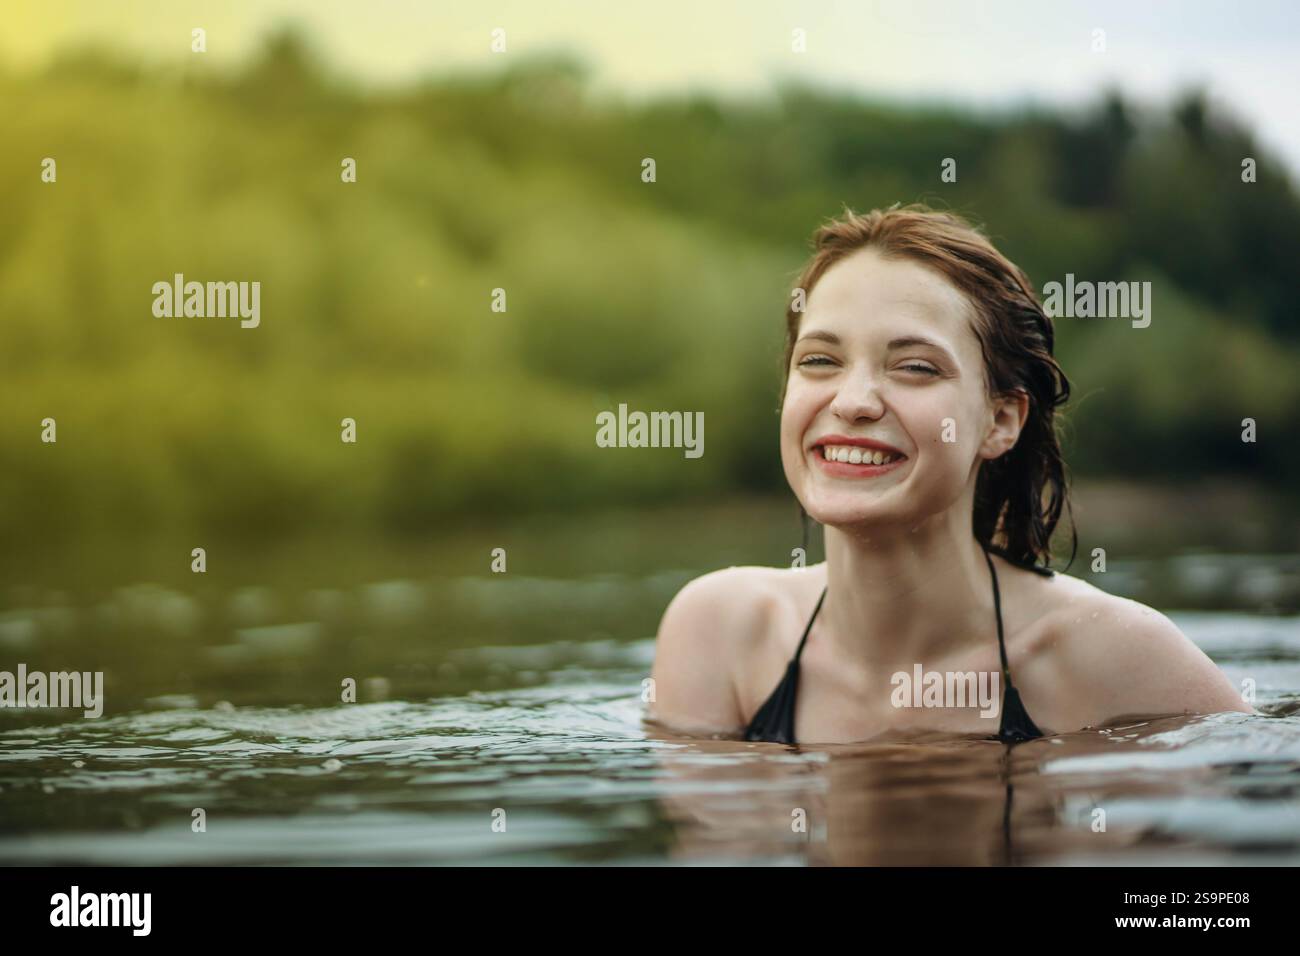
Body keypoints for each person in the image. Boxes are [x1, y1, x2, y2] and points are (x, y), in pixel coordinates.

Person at [648, 204, 1255, 746]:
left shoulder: (1115, 655)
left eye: (914, 367)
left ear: (999, 419)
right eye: (819, 361)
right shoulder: (720, 634)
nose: (853, 400)